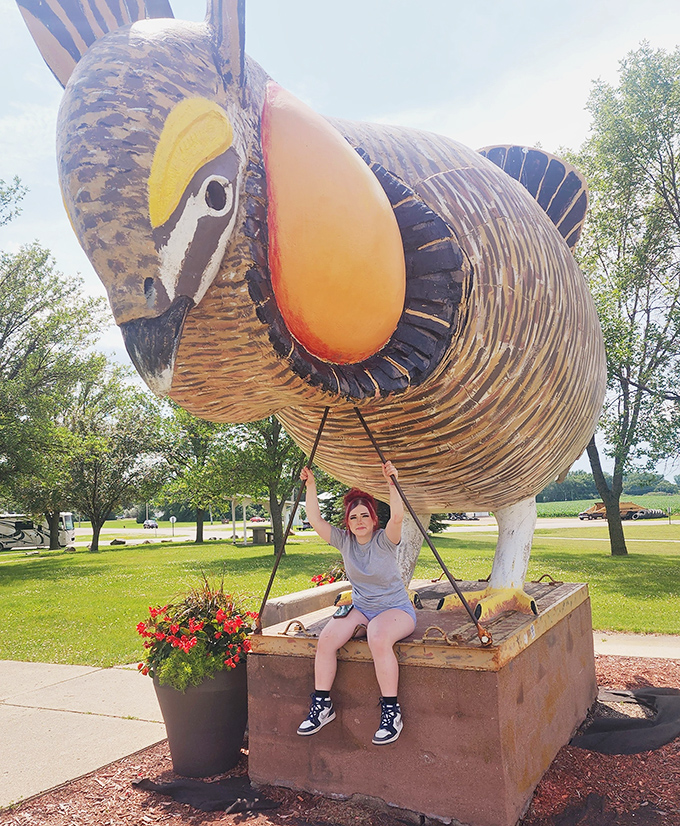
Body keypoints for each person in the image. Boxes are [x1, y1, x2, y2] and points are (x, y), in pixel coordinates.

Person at [297, 461, 416, 745]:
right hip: (362, 609)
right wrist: (310, 486)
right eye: (353, 517)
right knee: (326, 638)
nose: (359, 521)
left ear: (374, 520)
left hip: (396, 610)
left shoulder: (385, 540)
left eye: (365, 516)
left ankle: (391, 712)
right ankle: (323, 706)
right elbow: (315, 520)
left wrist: (392, 483)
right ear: (347, 523)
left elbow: (398, 517)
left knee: (377, 634)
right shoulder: (345, 541)